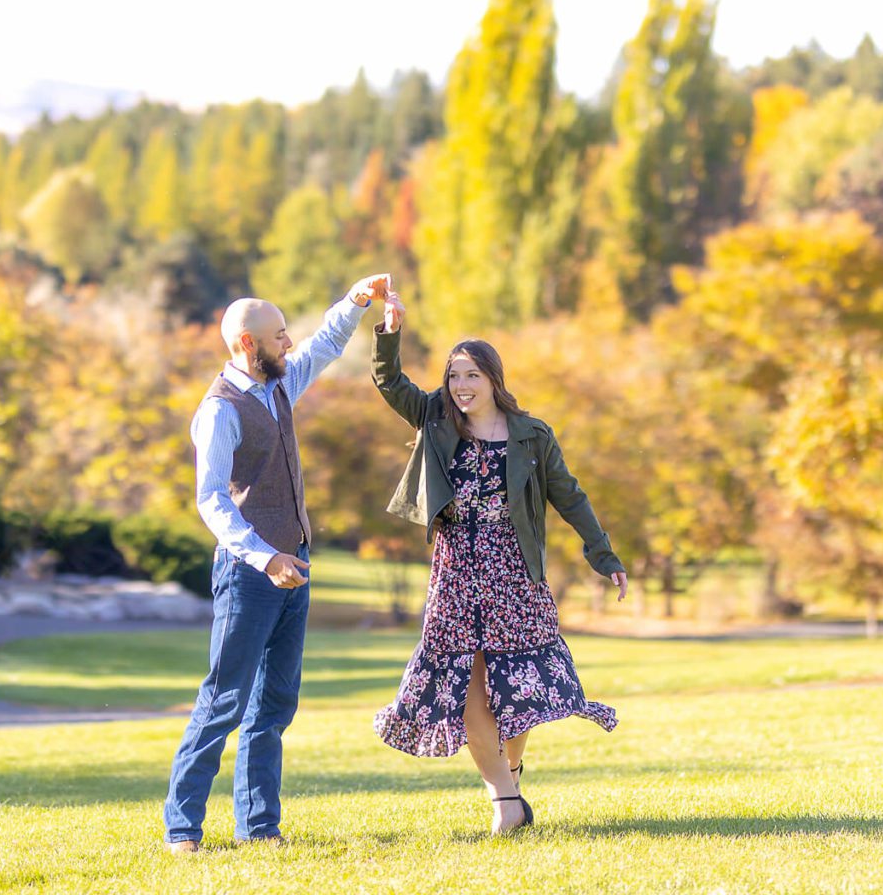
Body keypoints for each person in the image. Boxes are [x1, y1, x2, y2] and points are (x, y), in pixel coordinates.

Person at [368, 291, 628, 835]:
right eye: (454, 375)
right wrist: (389, 332)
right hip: (457, 570)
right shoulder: (435, 417)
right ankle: (505, 803)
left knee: (516, 687)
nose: (461, 386)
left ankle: (510, 773)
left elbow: (569, 496)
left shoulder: (531, 435)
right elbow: (390, 384)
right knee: (467, 683)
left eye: (471, 376)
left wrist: (603, 554)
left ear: (493, 380)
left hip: (513, 570)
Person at [162, 274, 392, 853]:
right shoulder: (219, 411)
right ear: (247, 344)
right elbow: (210, 500)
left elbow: (323, 347)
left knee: (275, 705)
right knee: (224, 703)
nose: (289, 343)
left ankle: (260, 827)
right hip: (248, 575)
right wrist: (266, 560)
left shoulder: (281, 384)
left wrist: (355, 301)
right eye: (279, 336)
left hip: (297, 569)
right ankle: (182, 828)